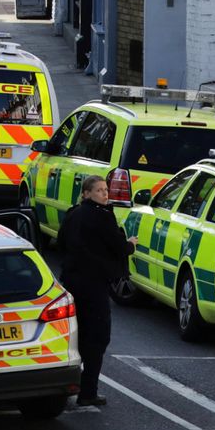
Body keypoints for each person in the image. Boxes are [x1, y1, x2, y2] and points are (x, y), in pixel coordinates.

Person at [57, 175, 135, 408]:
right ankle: (88, 391)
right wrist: (130, 244)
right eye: (99, 190)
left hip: (72, 282)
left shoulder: (73, 214)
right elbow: (118, 246)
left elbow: (61, 242)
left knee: (76, 334)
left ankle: (66, 384)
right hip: (94, 285)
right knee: (98, 337)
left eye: (105, 190)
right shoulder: (102, 217)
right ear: (86, 193)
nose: (105, 194)